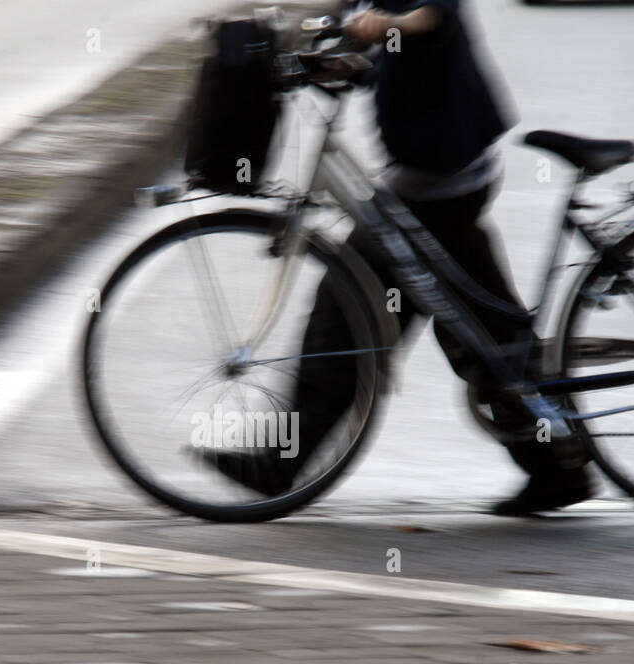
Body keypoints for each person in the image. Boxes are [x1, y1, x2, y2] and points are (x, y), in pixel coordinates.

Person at [204, 0, 594, 515]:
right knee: (478, 332)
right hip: (437, 177)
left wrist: (384, 26)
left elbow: (433, 16)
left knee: (347, 312)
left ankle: (280, 462)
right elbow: (396, 43)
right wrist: (353, 55)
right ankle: (556, 466)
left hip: (439, 182)